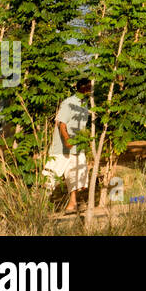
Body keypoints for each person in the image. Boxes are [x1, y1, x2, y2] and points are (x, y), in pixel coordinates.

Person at [44, 83, 92, 212]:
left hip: (77, 148)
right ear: (84, 88)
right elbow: (61, 124)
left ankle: (73, 204)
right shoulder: (68, 103)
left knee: (77, 178)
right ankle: (37, 206)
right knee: (49, 178)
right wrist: (67, 141)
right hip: (62, 149)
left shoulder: (85, 105)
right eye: (90, 87)